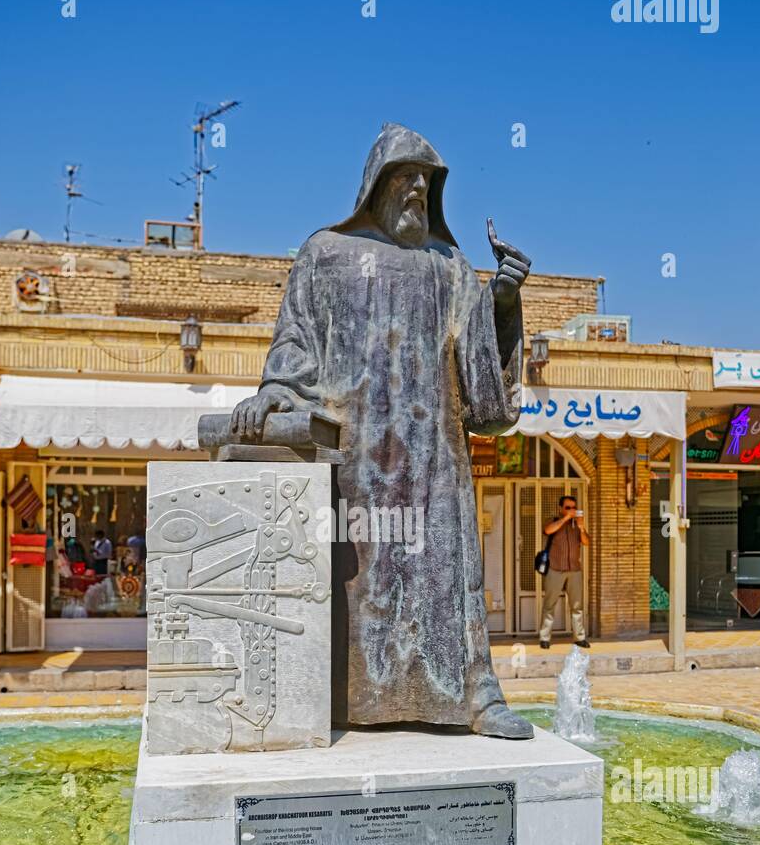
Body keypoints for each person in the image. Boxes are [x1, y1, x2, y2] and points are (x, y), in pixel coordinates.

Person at [229, 122, 534, 739]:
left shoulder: (450, 267)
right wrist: (274, 391)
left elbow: (485, 393)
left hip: (435, 465)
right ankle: (340, 700)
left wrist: (501, 306)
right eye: (406, 176)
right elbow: (295, 346)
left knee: (446, 577)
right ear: (377, 185)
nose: (418, 187)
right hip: (355, 462)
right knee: (355, 587)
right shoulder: (325, 254)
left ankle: (473, 698)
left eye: (427, 180)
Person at [539, 496, 591, 650]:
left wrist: (581, 527)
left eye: (573, 507)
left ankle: (579, 637)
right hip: (555, 569)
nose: (571, 510)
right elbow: (547, 530)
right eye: (568, 507)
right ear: (561, 508)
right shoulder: (553, 520)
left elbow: (587, 542)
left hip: (574, 570)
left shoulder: (577, 525)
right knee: (549, 605)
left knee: (577, 606)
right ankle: (545, 637)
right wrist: (566, 518)